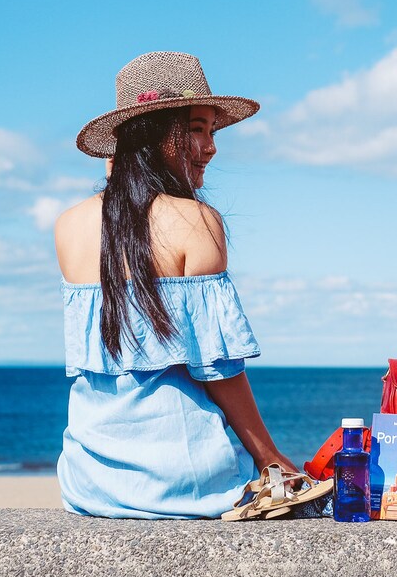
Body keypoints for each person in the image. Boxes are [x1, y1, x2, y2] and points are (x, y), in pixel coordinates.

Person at [54, 51, 298, 519]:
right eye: (197, 128)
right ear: (155, 133)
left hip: (90, 480)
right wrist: (272, 458)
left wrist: (128, 159)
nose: (211, 147)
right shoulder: (196, 221)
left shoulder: (69, 226)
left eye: (212, 131)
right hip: (186, 478)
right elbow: (219, 370)